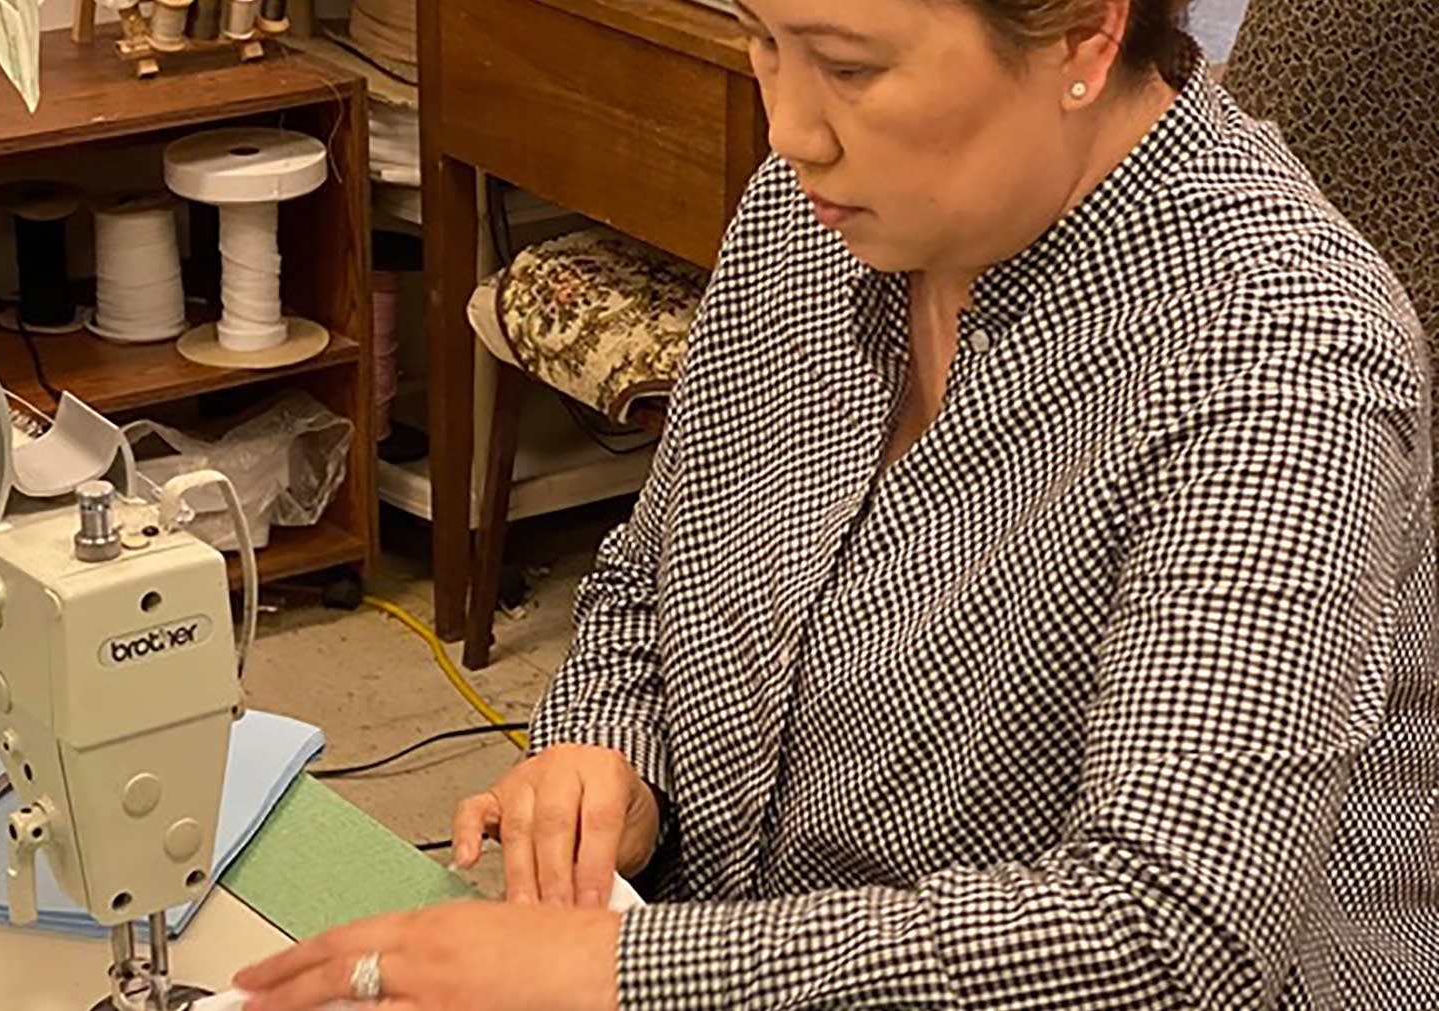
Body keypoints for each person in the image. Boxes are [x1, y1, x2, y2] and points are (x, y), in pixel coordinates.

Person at [233, 0, 1437, 1007]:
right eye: (764, 40)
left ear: (1085, 35)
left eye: (852, 67)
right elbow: (651, 577)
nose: (791, 127)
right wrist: (609, 747)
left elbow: (1167, 936)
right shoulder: (809, 223)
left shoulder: (1281, 351)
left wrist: (622, 969)